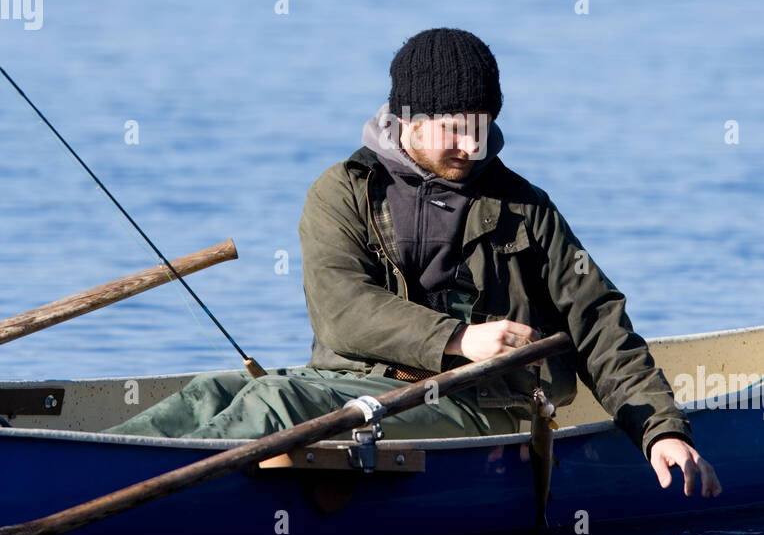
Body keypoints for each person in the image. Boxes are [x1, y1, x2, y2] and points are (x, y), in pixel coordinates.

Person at [107, 28, 721, 499]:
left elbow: (600, 325)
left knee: (274, 405)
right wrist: (459, 338)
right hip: (351, 385)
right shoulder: (340, 191)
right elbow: (342, 313)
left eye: (482, 129)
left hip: (480, 409)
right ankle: (85, 464)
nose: (470, 147)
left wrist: (660, 429)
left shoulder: (527, 209)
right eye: (454, 130)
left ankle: (117, 493)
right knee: (216, 391)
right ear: (407, 120)